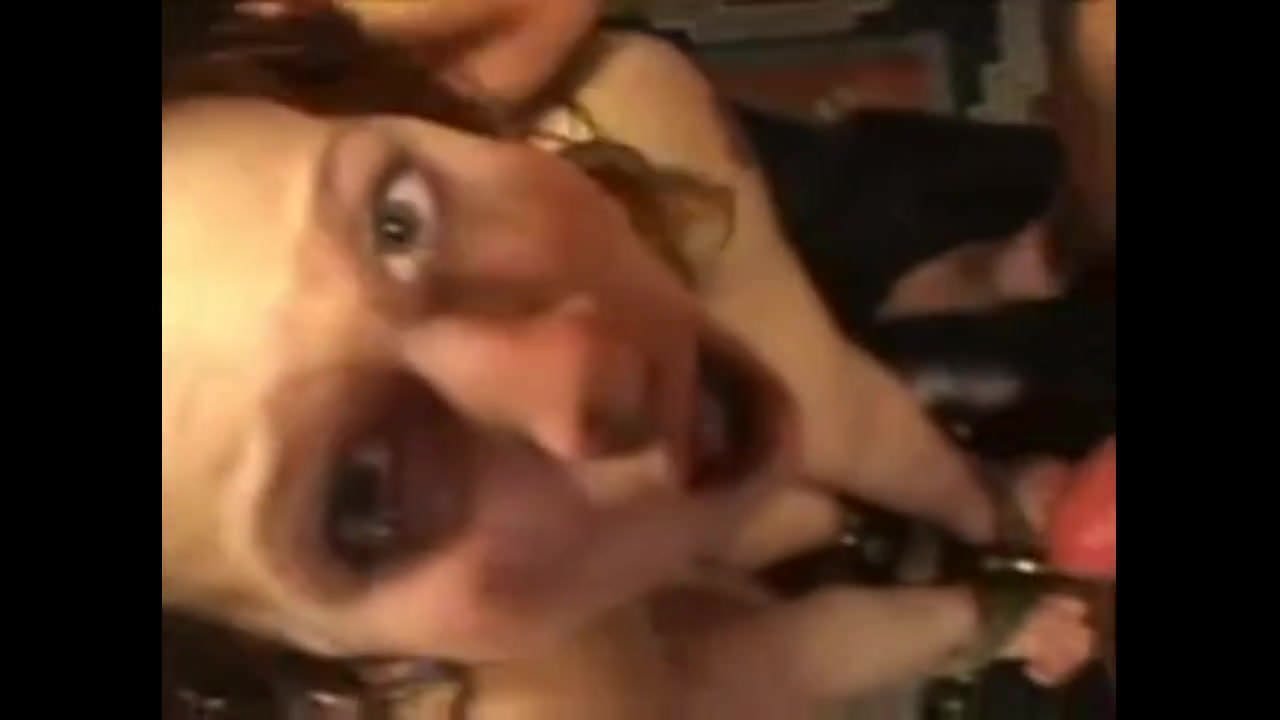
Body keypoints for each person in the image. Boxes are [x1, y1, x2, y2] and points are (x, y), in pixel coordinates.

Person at [162, 1, 1095, 717]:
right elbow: (738, 674)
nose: (581, 365)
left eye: (398, 222)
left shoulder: (618, 111)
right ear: (289, 655)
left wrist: (985, 531)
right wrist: (974, 616)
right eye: (361, 499)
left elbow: (819, 401)